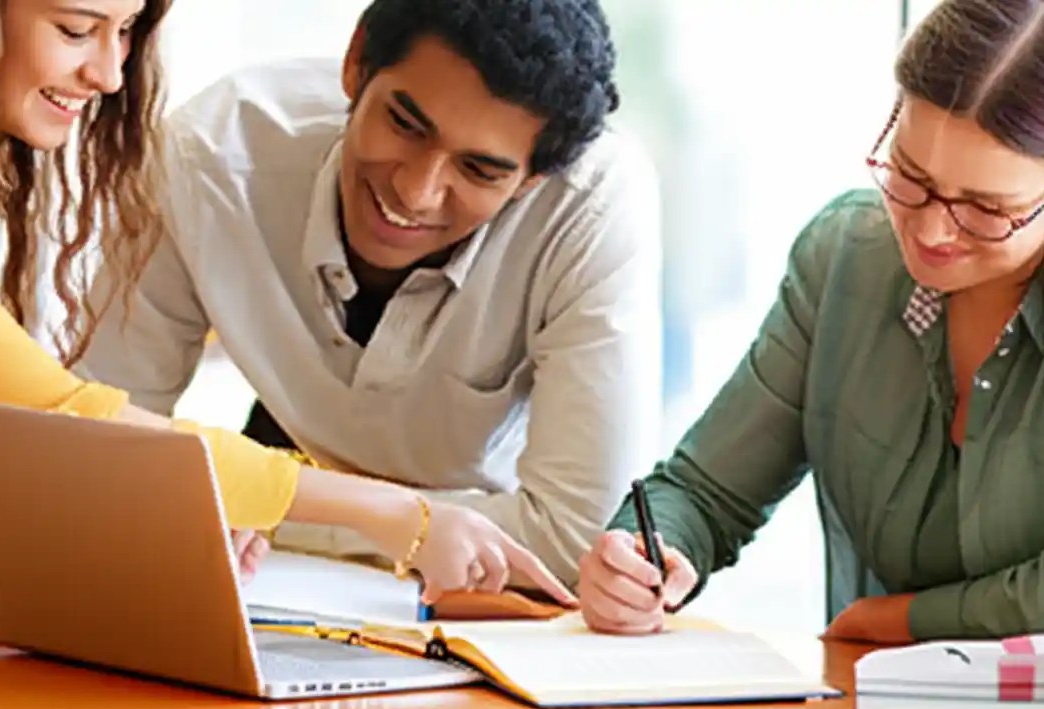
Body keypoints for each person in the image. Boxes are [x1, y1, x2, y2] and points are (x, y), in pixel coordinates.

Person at [0, 0, 576, 606]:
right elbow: (53, 418)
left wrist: (212, 504)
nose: (107, 72)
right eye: (75, 30)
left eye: (125, 31)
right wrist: (399, 517)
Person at [579, 0, 1044, 641]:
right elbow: (703, 494)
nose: (929, 229)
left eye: (984, 208)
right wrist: (643, 558)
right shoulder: (845, 260)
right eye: (910, 176)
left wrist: (893, 621)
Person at [80, 0, 662, 585]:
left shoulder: (590, 206)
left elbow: (575, 537)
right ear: (356, 63)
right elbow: (91, 449)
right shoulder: (206, 158)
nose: (416, 191)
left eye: (479, 171)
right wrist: (386, 520)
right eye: (405, 125)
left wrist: (265, 503)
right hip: (286, 565)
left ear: (532, 179)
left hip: (478, 604)